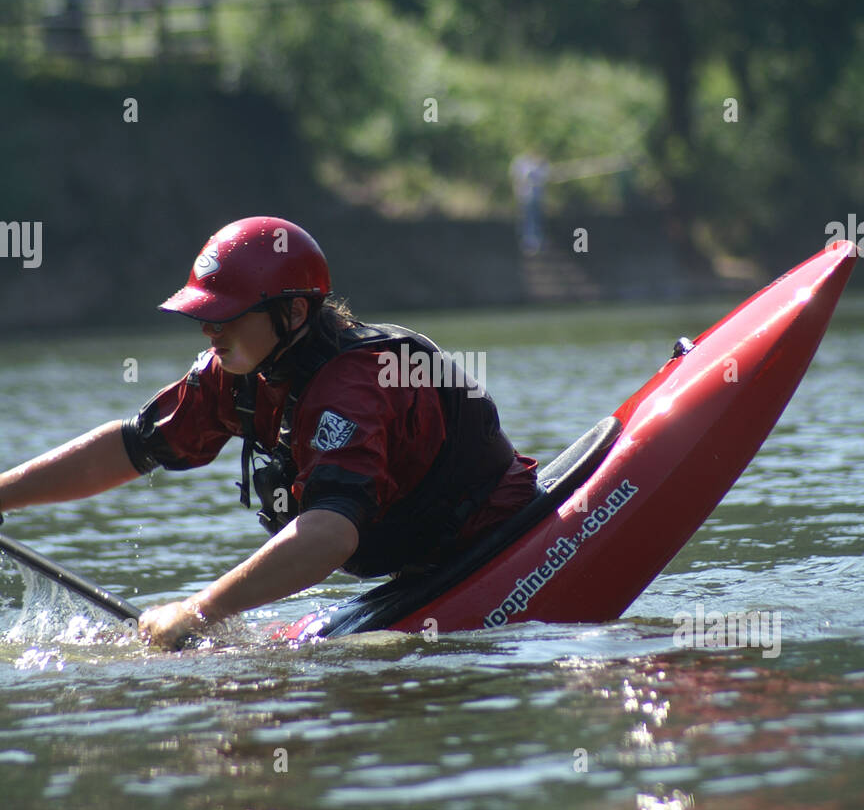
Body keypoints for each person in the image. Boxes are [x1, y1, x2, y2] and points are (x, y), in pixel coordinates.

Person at [0, 218, 538, 649]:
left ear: (294, 312)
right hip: (421, 566)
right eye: (204, 317)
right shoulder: (235, 373)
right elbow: (129, 448)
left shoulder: (355, 385)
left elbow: (330, 535)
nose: (210, 330)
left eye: (225, 316)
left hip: (497, 538)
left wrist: (195, 610)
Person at [510, 149, 549, 255]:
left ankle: (535, 242)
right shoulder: (522, 164)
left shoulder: (541, 165)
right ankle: (529, 243)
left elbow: (543, 178)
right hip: (526, 197)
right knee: (527, 219)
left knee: (534, 219)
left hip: (535, 198)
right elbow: (519, 179)